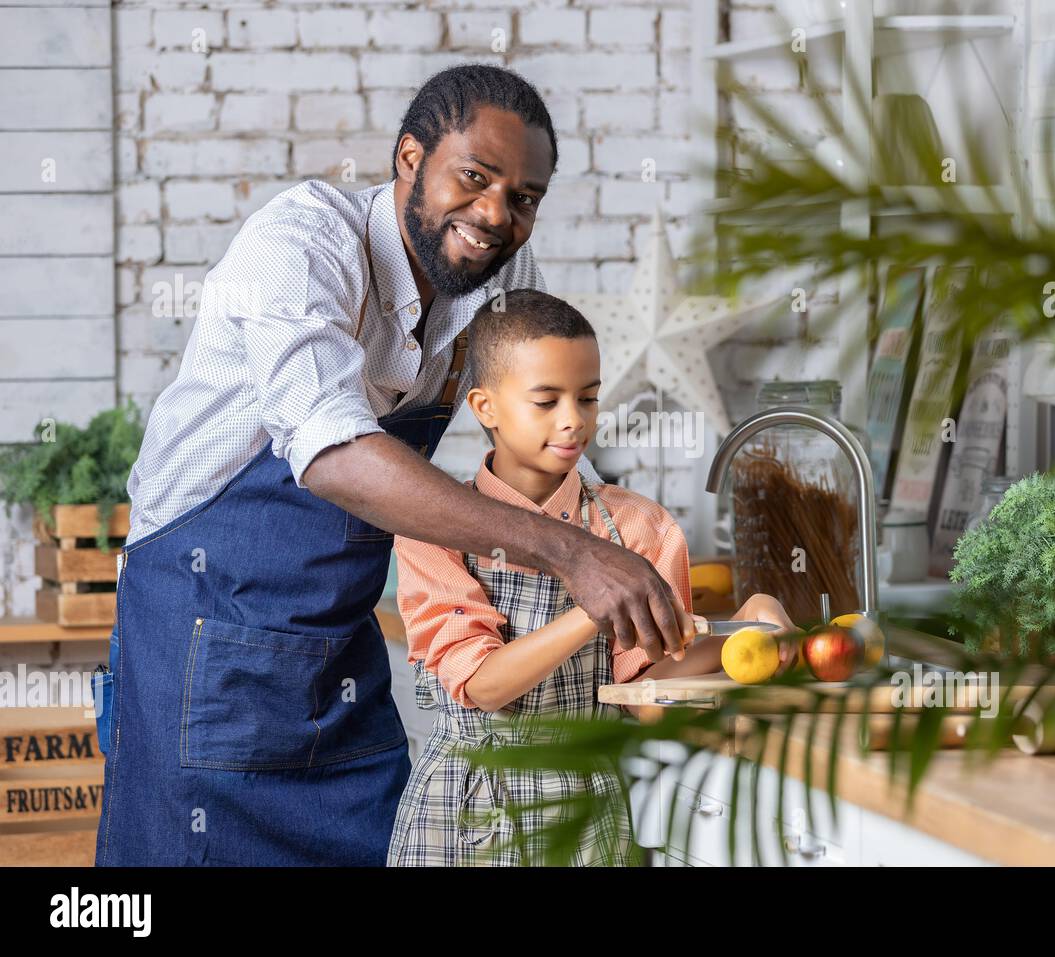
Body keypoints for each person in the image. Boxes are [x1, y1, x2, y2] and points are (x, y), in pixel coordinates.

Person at [96, 65, 690, 867]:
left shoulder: (500, 277)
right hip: (206, 628)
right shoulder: (301, 245)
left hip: (337, 656)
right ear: (410, 157)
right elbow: (336, 456)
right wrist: (573, 552)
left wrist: (619, 527)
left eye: (523, 198)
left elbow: (527, 433)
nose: (494, 215)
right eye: (474, 178)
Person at [387, 290, 795, 866]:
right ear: (485, 406)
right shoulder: (435, 528)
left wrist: (744, 628)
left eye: (588, 397)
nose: (573, 419)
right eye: (546, 401)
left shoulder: (639, 525)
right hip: (470, 803)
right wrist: (594, 601)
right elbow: (483, 686)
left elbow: (645, 687)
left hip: (589, 801)